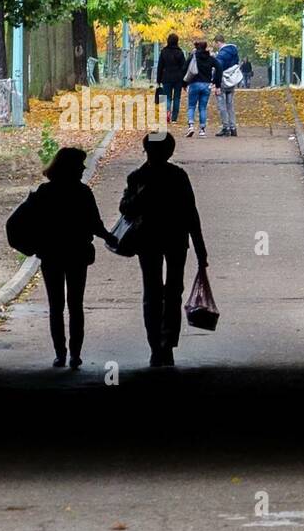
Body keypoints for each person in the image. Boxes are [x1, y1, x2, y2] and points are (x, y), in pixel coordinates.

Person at [121, 132, 207, 367]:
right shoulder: (177, 176)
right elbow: (191, 213)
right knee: (172, 293)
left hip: (148, 242)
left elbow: (125, 209)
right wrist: (200, 248)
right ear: (169, 151)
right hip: (175, 240)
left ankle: (157, 347)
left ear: (146, 150)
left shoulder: (137, 177)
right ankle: (166, 345)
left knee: (153, 293)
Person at [31, 147, 114, 369]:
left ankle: (60, 353)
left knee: (55, 306)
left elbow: (34, 223)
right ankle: (75, 354)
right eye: (80, 165)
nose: (83, 168)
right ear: (71, 167)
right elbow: (95, 224)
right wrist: (111, 238)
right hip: (77, 253)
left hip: (51, 254)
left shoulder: (45, 192)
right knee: (75, 305)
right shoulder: (82, 193)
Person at [184, 39, 219, 137]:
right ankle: (202, 130)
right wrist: (216, 82)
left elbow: (184, 68)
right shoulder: (210, 58)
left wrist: (184, 83)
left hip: (194, 83)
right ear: (205, 47)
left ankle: (191, 126)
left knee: (191, 106)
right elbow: (219, 68)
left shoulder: (193, 57)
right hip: (206, 85)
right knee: (202, 108)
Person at [212, 35, 241, 137]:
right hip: (231, 81)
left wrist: (216, 85)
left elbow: (218, 68)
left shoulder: (221, 54)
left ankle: (226, 128)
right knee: (230, 104)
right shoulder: (234, 51)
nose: (214, 45)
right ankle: (233, 128)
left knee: (222, 105)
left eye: (215, 43)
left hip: (223, 81)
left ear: (218, 42)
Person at [155, 33, 187, 124]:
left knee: (167, 97)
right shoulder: (180, 52)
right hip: (178, 79)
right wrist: (185, 82)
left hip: (166, 78)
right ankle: (174, 118)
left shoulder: (164, 52)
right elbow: (184, 67)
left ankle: (167, 111)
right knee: (177, 98)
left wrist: (158, 80)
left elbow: (160, 67)